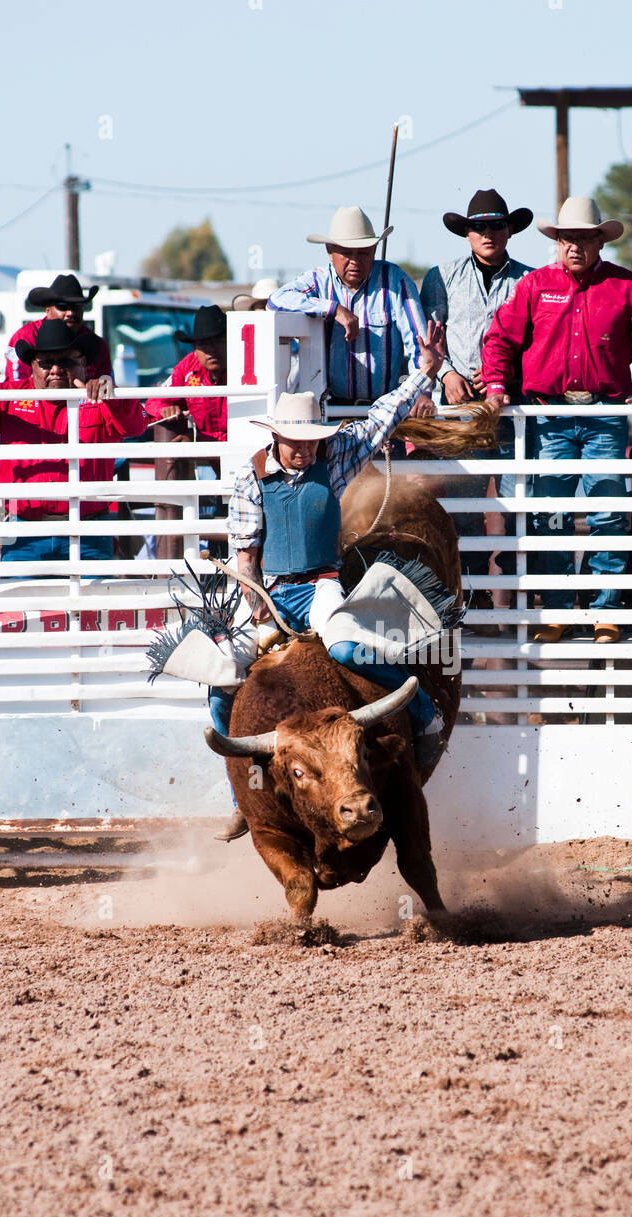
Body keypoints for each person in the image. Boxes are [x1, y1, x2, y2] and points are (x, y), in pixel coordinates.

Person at [210, 322, 447, 841]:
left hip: (321, 585)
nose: (306, 451)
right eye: (297, 443)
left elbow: (382, 419)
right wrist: (258, 610)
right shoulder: (251, 477)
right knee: (221, 676)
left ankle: (425, 716)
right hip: (269, 593)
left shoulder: (333, 457)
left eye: (313, 442)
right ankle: (241, 799)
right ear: (276, 436)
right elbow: (245, 554)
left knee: (346, 651)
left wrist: (424, 372)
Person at [481, 196, 632, 644]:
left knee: (607, 511)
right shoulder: (534, 286)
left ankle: (605, 610)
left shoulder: (629, 289)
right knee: (552, 514)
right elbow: (499, 340)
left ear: (599, 242)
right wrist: (495, 387)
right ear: (558, 241)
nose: (575, 246)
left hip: (605, 413)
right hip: (550, 413)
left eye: (585, 238)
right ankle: (557, 609)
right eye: (568, 238)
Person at [420, 188, 534, 578]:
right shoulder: (442, 277)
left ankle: (523, 597)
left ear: (509, 230)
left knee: (520, 502)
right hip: (461, 408)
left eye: (497, 226)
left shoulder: (530, 281)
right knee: (465, 509)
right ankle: (474, 594)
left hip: (510, 406)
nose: (489, 234)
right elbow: (429, 336)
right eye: (479, 227)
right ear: (467, 233)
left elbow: (537, 342)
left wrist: (507, 372)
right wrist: (448, 373)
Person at [0, 321, 145, 564]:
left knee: (93, 601)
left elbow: (137, 424)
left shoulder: (101, 396)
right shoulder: (10, 395)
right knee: (18, 601)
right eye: (45, 363)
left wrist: (114, 398)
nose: (55, 369)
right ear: (32, 367)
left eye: (65, 361)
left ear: (82, 364)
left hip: (89, 530)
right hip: (24, 530)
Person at [267, 206, 432, 415]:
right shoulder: (319, 281)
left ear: (373, 251)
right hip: (332, 411)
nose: (355, 260)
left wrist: (422, 392)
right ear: (330, 251)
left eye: (363, 252)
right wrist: (332, 308)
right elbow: (275, 300)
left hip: (386, 411)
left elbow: (418, 344)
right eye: (346, 252)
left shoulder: (395, 281)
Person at [145, 304, 228, 562]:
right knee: (214, 525)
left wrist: (196, 443)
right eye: (204, 345)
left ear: (230, 342)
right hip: (213, 468)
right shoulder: (188, 369)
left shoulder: (246, 366)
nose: (211, 350)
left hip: (240, 464)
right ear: (195, 349)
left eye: (218, 342)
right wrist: (166, 409)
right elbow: (153, 401)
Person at [3, 273, 113, 386]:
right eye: (63, 307)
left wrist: (100, 384)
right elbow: (16, 388)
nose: (70, 313)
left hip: (81, 403)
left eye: (77, 306)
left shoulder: (96, 344)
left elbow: (105, 383)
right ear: (48, 309)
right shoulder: (26, 336)